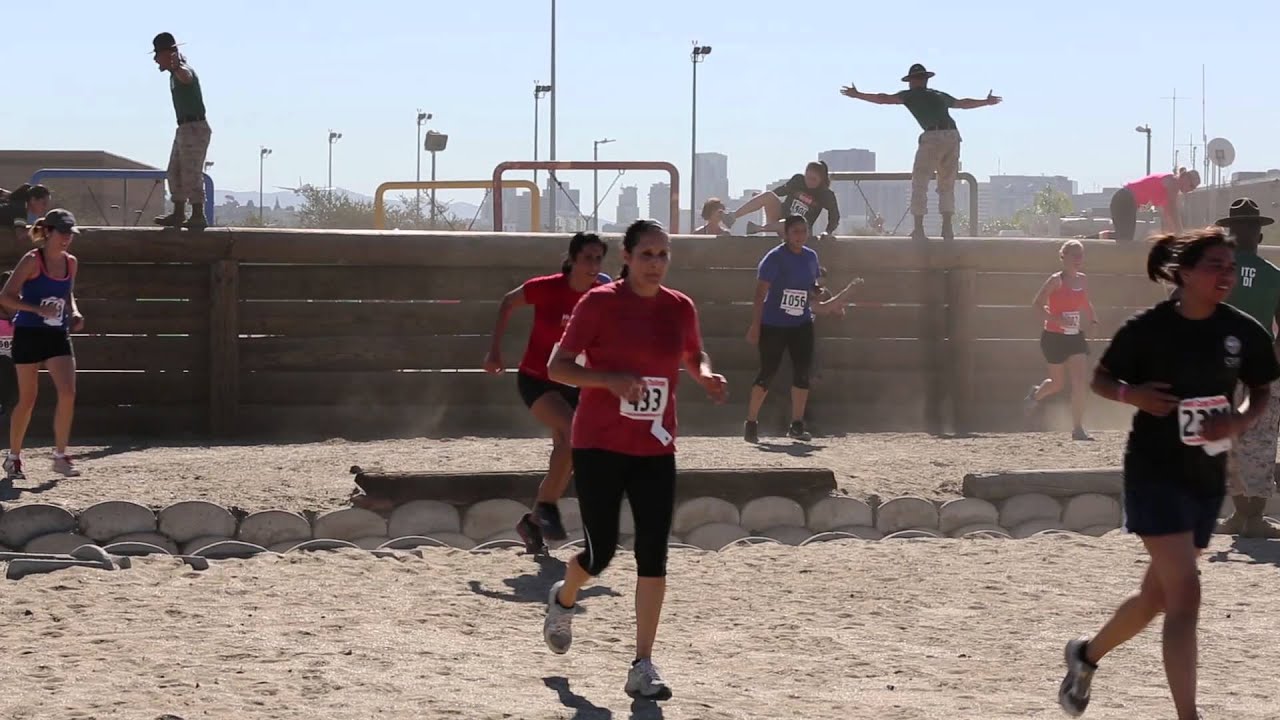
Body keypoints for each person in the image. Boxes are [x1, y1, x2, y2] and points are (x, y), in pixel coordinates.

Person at [1057, 228, 1280, 720]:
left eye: (1229, 266)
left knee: (1157, 596)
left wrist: (1240, 418)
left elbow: (1261, 386)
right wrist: (1131, 396)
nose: (1226, 275)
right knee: (1187, 594)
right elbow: (1100, 378)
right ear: (1183, 273)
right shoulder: (1148, 329)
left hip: (1206, 475)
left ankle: (1085, 656)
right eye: (1214, 266)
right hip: (1154, 474)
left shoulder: (1243, 331)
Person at [541, 219, 727, 702]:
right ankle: (563, 598)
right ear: (625, 257)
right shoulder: (598, 304)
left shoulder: (679, 306)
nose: (656, 264)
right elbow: (558, 367)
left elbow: (694, 352)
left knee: (653, 553)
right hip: (599, 444)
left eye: (664, 255)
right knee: (600, 553)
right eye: (647, 254)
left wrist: (705, 374)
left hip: (655, 446)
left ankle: (642, 664)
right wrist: (609, 379)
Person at [483, 232, 611, 553]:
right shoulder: (548, 287)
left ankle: (534, 522)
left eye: (598, 259)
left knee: (567, 456)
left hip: (573, 384)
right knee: (573, 434)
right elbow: (507, 302)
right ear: (571, 260)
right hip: (536, 380)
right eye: (587, 258)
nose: (593, 265)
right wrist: (495, 351)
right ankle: (545, 513)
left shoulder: (599, 296)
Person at [840, 64, 1002, 241]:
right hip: (952, 136)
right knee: (947, 183)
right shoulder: (938, 95)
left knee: (920, 181)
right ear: (925, 80)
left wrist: (858, 95)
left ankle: (919, 228)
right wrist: (986, 102)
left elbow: (883, 99)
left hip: (932, 136)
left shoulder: (910, 95)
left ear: (911, 81)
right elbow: (963, 103)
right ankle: (947, 227)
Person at [744, 215, 849, 443]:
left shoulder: (811, 257)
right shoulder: (774, 258)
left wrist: (821, 294)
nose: (800, 236)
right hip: (773, 324)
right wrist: (755, 325)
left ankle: (797, 424)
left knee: (802, 373)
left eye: (804, 231)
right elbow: (760, 294)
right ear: (786, 234)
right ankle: (751, 422)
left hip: (801, 323)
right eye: (795, 232)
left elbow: (812, 286)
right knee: (768, 372)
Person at [0, 210, 86, 484]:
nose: (67, 239)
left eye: (70, 233)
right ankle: (13, 457)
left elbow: (67, 293)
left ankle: (60, 455)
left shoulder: (71, 263)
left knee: (68, 392)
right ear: (48, 232)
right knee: (28, 398)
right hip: (28, 332)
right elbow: (7, 297)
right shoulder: (32, 260)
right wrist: (37, 309)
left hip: (57, 334)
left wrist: (74, 312)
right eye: (62, 232)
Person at [1212, 198, 1280, 539]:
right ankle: (1254, 516)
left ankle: (1240, 514)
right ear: (1260, 235)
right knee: (1263, 440)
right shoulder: (1274, 277)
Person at [1024, 240, 1098, 441]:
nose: (1078, 259)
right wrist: (1055, 318)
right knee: (1057, 384)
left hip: (1074, 337)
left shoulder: (1082, 280)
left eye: (1080, 255)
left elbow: (1085, 302)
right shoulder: (1056, 280)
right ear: (1063, 257)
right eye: (1073, 255)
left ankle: (1078, 428)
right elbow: (1037, 304)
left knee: (1079, 382)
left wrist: (1092, 320)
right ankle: (1035, 395)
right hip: (1054, 337)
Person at [151, 32, 212, 231]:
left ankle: (197, 213)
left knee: (191, 171)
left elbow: (186, 78)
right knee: (175, 170)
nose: (155, 59)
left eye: (158, 54)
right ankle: (179, 212)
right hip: (184, 127)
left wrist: (176, 65)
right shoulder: (173, 74)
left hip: (195, 127)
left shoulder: (183, 71)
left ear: (169, 54)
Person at [724, 161, 839, 239]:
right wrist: (762, 197)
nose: (809, 182)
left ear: (822, 180)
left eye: (813, 179)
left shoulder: (826, 194)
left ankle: (758, 229)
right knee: (769, 195)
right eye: (807, 177)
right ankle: (732, 216)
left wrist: (827, 232)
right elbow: (780, 191)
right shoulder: (798, 180)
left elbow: (834, 216)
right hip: (780, 220)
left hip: (800, 231)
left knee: (795, 220)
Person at [1109, 168, 1201, 243]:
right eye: (1191, 186)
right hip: (1125, 199)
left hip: (1125, 200)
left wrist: (1168, 238)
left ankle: (1097, 238)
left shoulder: (1170, 193)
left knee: (1123, 236)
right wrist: (1181, 235)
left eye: (1194, 188)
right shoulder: (1173, 182)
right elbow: (1173, 211)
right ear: (1185, 178)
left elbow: (1168, 216)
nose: (1191, 190)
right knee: (1125, 239)